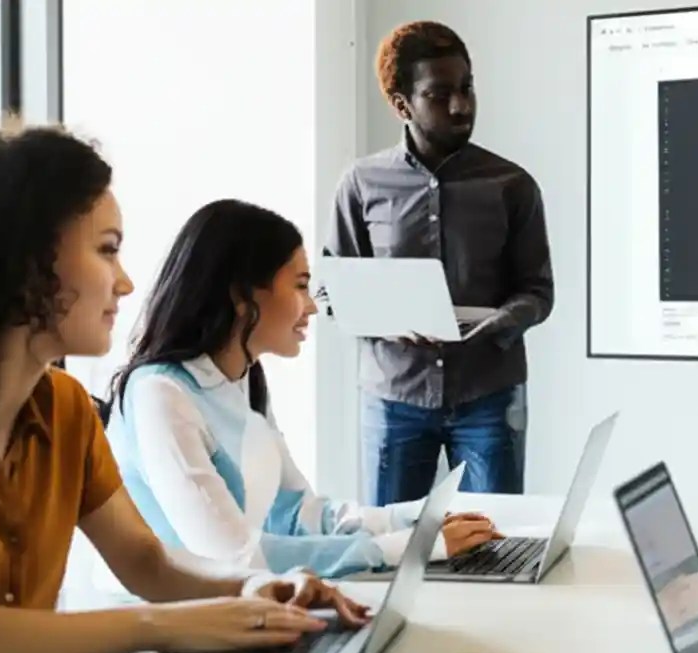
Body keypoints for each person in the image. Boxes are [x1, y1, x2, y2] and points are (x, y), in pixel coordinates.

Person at [0, 123, 365, 653]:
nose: (126, 283)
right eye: (107, 250)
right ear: (28, 262)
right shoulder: (156, 390)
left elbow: (147, 561)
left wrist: (247, 587)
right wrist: (159, 626)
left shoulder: (68, 409)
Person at [103, 199, 501, 583]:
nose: (311, 307)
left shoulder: (243, 378)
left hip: (249, 609)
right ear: (242, 296)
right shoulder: (160, 395)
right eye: (300, 286)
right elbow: (233, 556)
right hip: (179, 626)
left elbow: (295, 514)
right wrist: (405, 547)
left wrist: (415, 519)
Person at [325, 20, 554, 504]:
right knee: (386, 547)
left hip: (489, 397)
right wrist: (384, 321)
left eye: (467, 88)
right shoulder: (361, 184)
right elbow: (330, 288)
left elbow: (538, 291)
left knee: (494, 546)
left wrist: (502, 321)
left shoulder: (513, 186)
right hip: (394, 401)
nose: (461, 105)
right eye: (441, 93)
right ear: (402, 103)